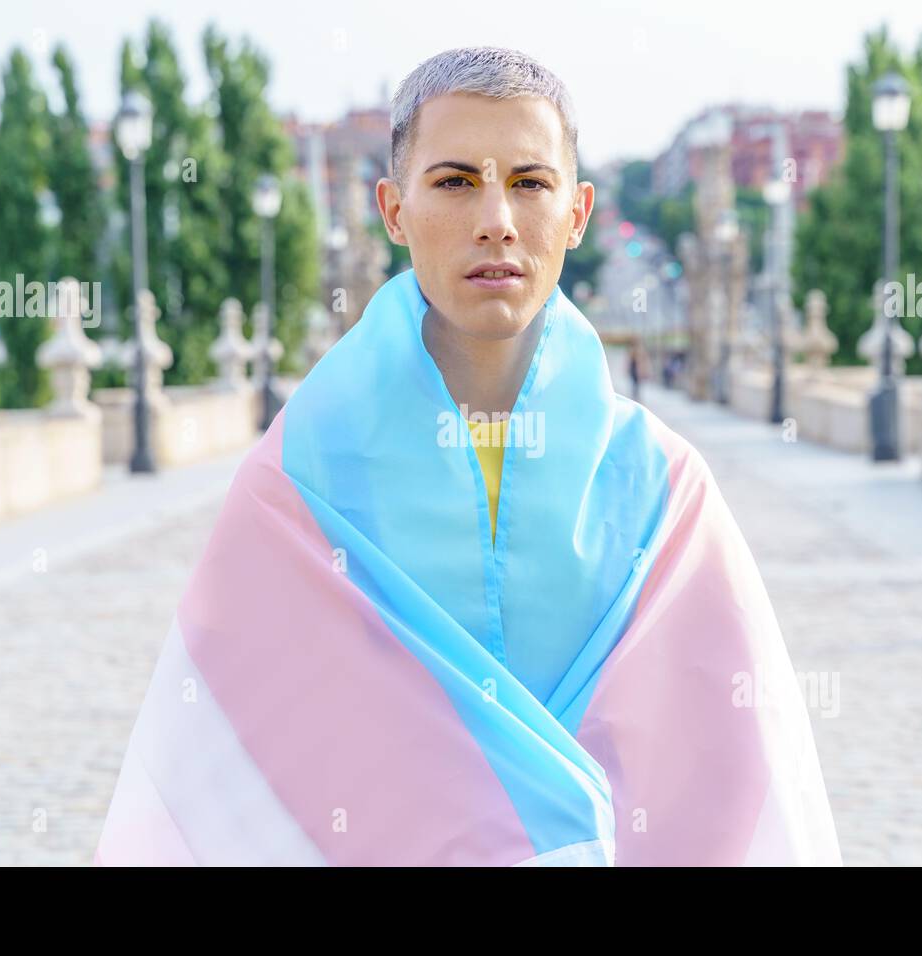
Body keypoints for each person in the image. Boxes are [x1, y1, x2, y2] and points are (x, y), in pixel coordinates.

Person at [95, 46, 841, 867]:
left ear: (579, 212)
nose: (498, 219)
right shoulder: (299, 479)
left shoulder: (665, 491)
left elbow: (733, 779)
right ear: (392, 210)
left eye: (530, 182)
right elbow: (218, 768)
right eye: (454, 182)